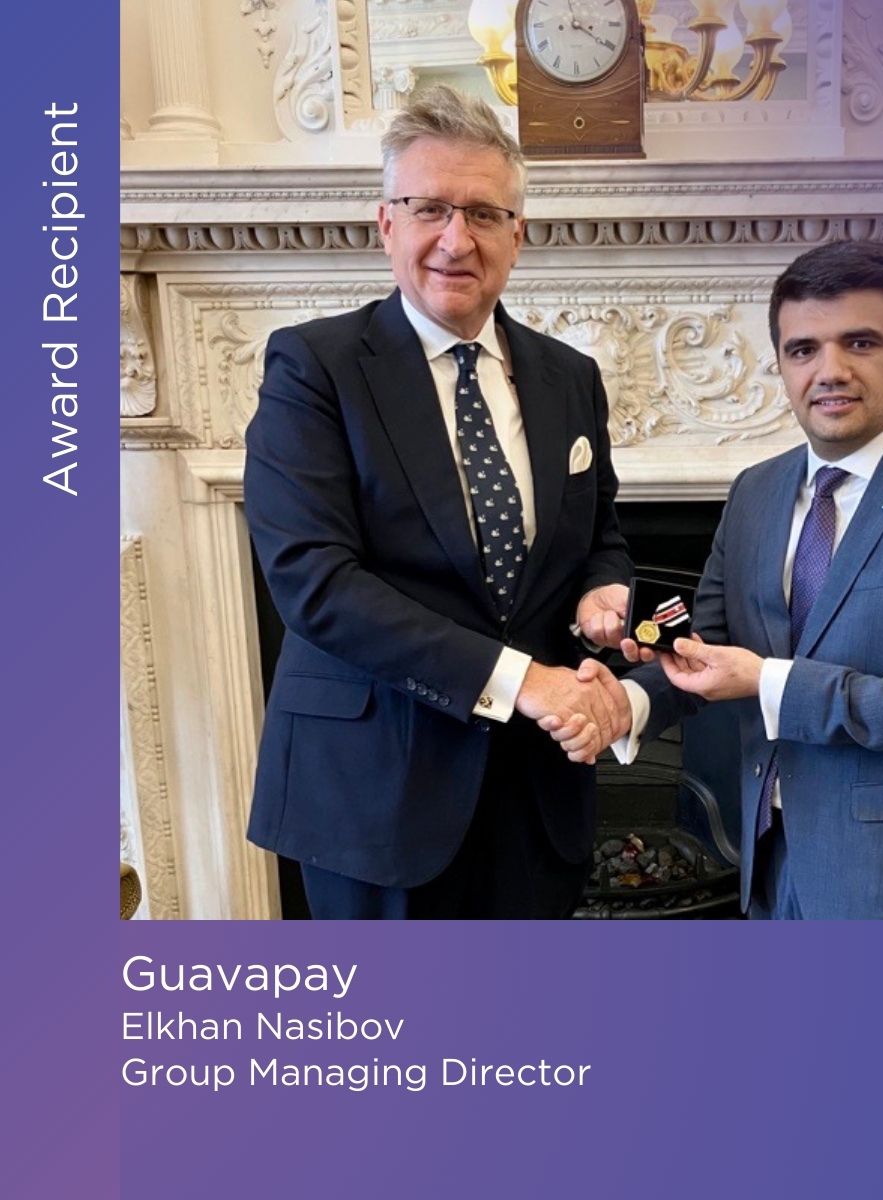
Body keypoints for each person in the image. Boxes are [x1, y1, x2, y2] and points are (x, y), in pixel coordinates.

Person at [545, 240, 883, 919]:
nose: (830, 371)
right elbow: (708, 643)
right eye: (804, 349)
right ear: (781, 364)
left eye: (859, 343)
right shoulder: (756, 491)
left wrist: (767, 681)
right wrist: (627, 703)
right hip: (766, 864)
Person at [243, 85, 632, 919]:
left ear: (517, 236)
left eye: (484, 214)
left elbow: (600, 531)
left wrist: (605, 587)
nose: (457, 240)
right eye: (430, 209)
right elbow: (314, 582)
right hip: (374, 794)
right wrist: (523, 681)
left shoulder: (571, 377)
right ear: (386, 224)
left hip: (536, 793)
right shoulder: (313, 368)